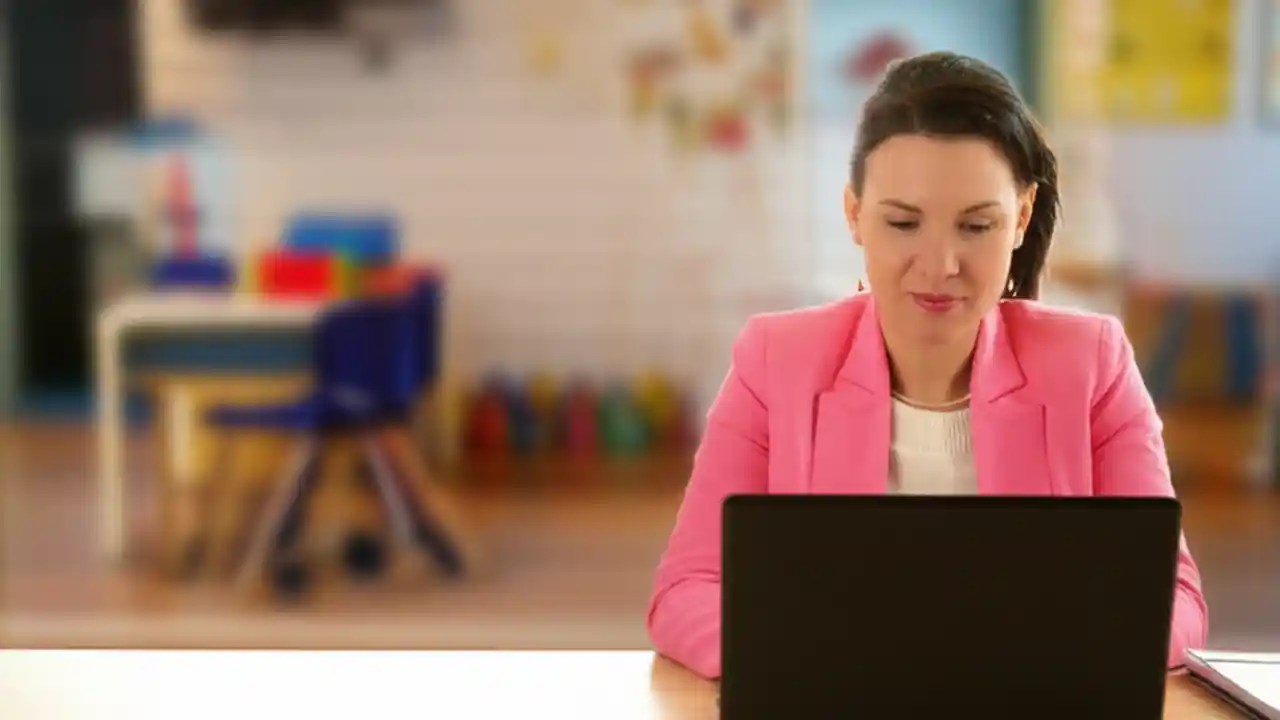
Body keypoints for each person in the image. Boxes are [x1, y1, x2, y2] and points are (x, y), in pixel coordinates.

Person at [646, 51, 1208, 680]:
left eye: (976, 225)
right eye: (903, 223)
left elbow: (1175, 598)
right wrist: (808, 661)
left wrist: (1036, 658)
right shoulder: (774, 361)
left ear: (1021, 218)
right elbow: (686, 590)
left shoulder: (1094, 364)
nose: (940, 264)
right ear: (855, 215)